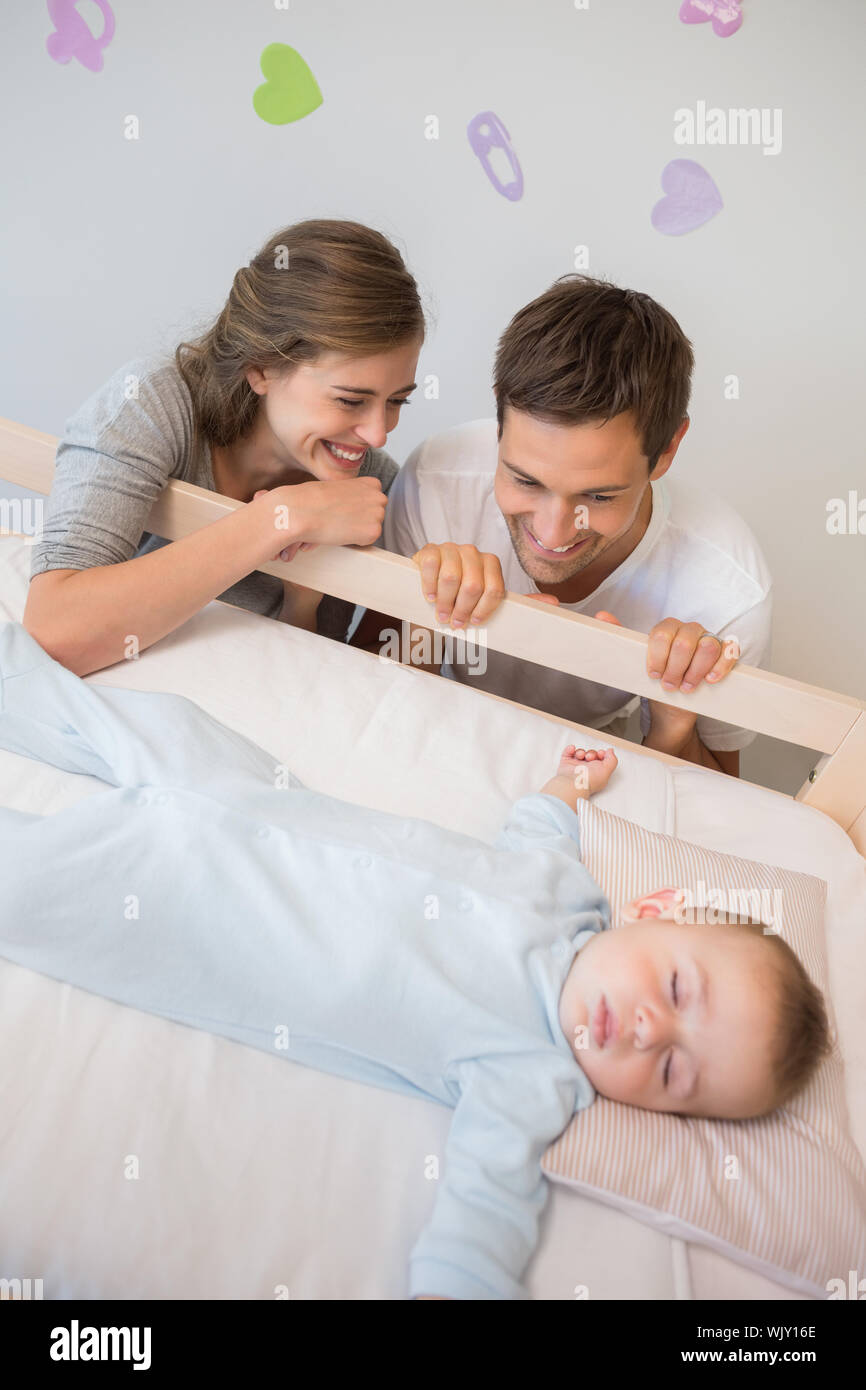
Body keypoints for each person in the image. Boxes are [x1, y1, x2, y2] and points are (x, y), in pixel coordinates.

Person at [0, 620, 829, 1300]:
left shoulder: (530, 1075)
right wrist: (567, 787)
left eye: (675, 1074)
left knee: (22, 881)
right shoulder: (569, 896)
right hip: (245, 790)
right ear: (653, 913)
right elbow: (535, 828)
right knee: (129, 714)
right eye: (677, 987)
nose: (650, 1030)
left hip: (174, 905)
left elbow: (486, 1207)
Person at [363, 276, 773, 779]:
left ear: (667, 449)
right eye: (525, 480)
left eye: (599, 496)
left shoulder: (728, 593)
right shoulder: (434, 481)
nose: (554, 534)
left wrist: (672, 727)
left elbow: (722, 803)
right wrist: (428, 618)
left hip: (601, 773)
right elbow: (364, 695)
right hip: (445, 746)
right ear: (499, 420)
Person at [23, 219, 425, 676]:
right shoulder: (156, 406)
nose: (378, 434)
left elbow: (332, 689)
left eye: (397, 401)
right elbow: (53, 632)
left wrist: (303, 601)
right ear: (260, 370)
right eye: (350, 400)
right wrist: (282, 519)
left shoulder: (375, 489)